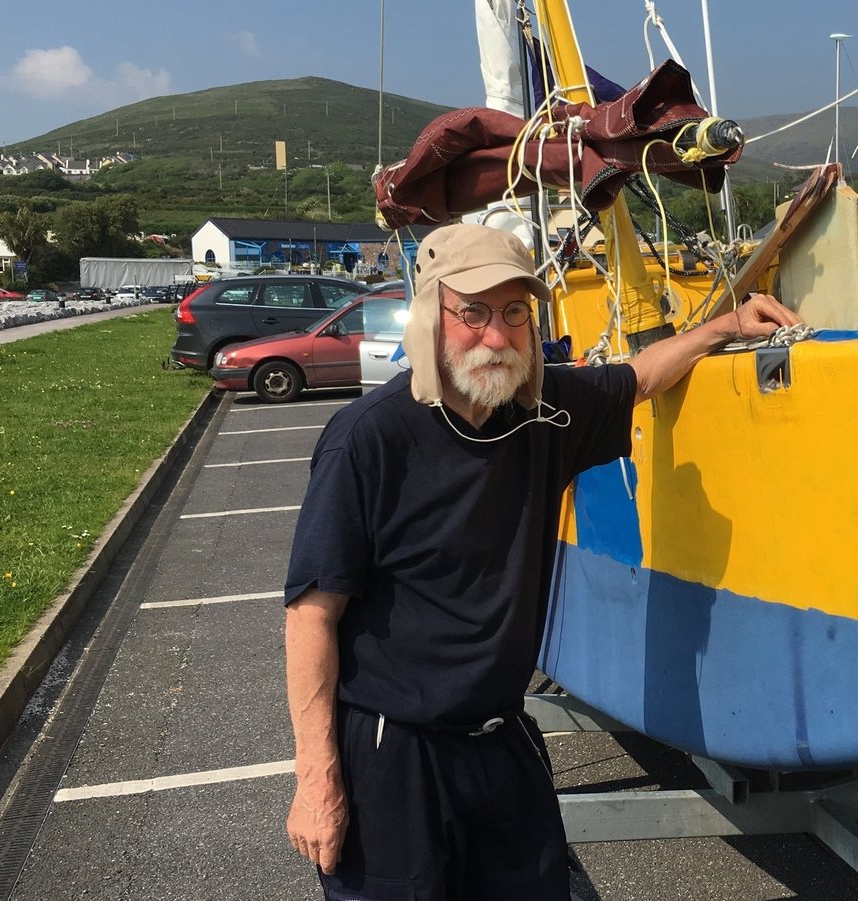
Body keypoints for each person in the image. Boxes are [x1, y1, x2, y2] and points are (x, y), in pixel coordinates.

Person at [282, 222, 801, 899]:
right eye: (473, 312)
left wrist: (724, 325)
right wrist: (316, 778)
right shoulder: (368, 439)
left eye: (514, 312)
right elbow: (310, 616)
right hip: (396, 753)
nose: (497, 336)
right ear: (432, 315)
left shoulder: (544, 409)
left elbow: (637, 380)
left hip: (502, 740)